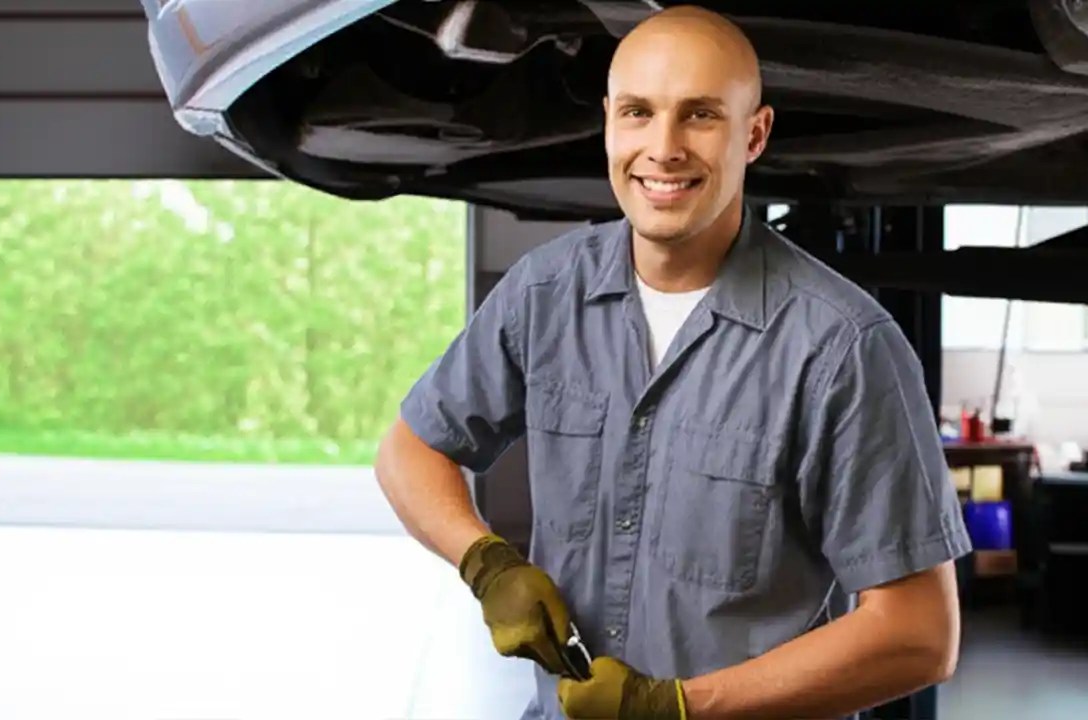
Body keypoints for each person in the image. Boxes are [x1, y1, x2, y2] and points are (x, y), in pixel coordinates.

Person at [374, 5, 971, 720]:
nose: (663, 148)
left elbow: (919, 635)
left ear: (755, 134)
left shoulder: (842, 348)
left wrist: (678, 707)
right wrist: (486, 562)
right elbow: (409, 450)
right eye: (637, 112)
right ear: (607, 124)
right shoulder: (545, 292)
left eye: (700, 116)